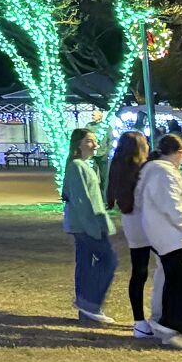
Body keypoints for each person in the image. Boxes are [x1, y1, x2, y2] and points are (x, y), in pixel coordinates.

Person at [134, 133, 182, 349]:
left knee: (181, 280)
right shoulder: (163, 174)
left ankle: (171, 324)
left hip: (167, 235)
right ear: (178, 153)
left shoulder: (155, 172)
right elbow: (174, 207)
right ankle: (171, 326)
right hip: (171, 236)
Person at [62, 127, 118, 324]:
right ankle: (90, 303)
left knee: (85, 264)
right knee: (109, 260)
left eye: (94, 141)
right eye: (89, 141)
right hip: (85, 225)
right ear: (78, 144)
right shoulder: (77, 166)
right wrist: (94, 228)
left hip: (85, 224)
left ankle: (86, 310)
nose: (95, 145)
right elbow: (82, 201)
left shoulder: (87, 165)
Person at [106, 131, 152, 342]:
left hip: (131, 221)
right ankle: (161, 316)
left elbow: (111, 195)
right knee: (166, 267)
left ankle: (139, 321)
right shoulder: (143, 169)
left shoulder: (116, 167)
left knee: (139, 271)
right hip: (149, 222)